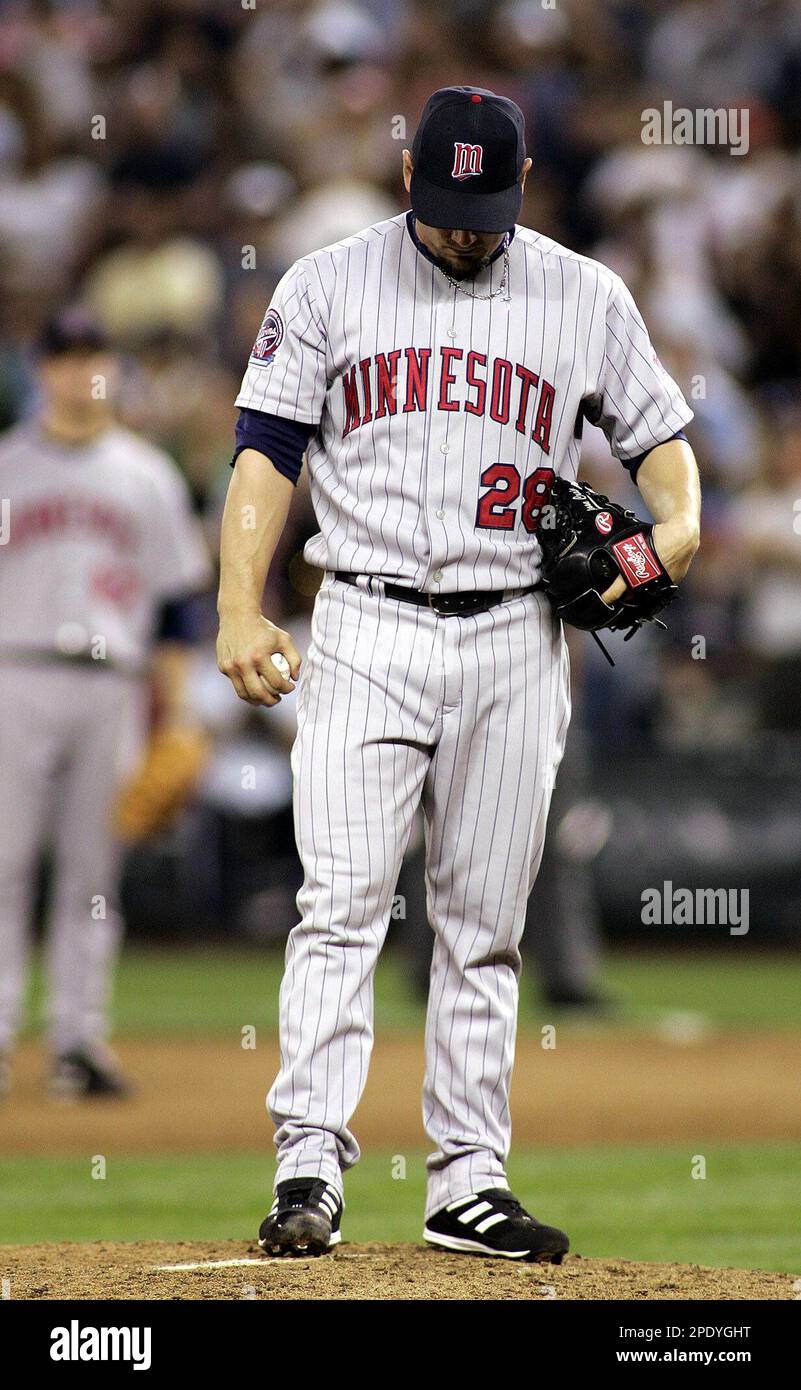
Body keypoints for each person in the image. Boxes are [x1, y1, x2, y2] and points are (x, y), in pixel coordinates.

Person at [216, 87, 700, 1261]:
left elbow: (668, 464)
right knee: (339, 905)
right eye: (448, 211)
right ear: (405, 186)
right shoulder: (326, 283)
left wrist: (659, 543)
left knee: (483, 920)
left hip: (514, 636)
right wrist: (240, 602)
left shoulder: (584, 291)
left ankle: (467, 1180)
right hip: (367, 621)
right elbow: (266, 452)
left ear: (522, 186)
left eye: (488, 210)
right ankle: (308, 1169)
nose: (468, 233)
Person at [0, 308, 211, 1099]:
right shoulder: (8, 468)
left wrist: (178, 714)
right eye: (63, 356)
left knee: (93, 870)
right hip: (13, 673)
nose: (78, 371)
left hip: (110, 683)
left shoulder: (145, 475)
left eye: (92, 355)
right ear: (40, 367)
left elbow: (173, 611)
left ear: (109, 369)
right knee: (4, 863)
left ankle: (78, 1040)